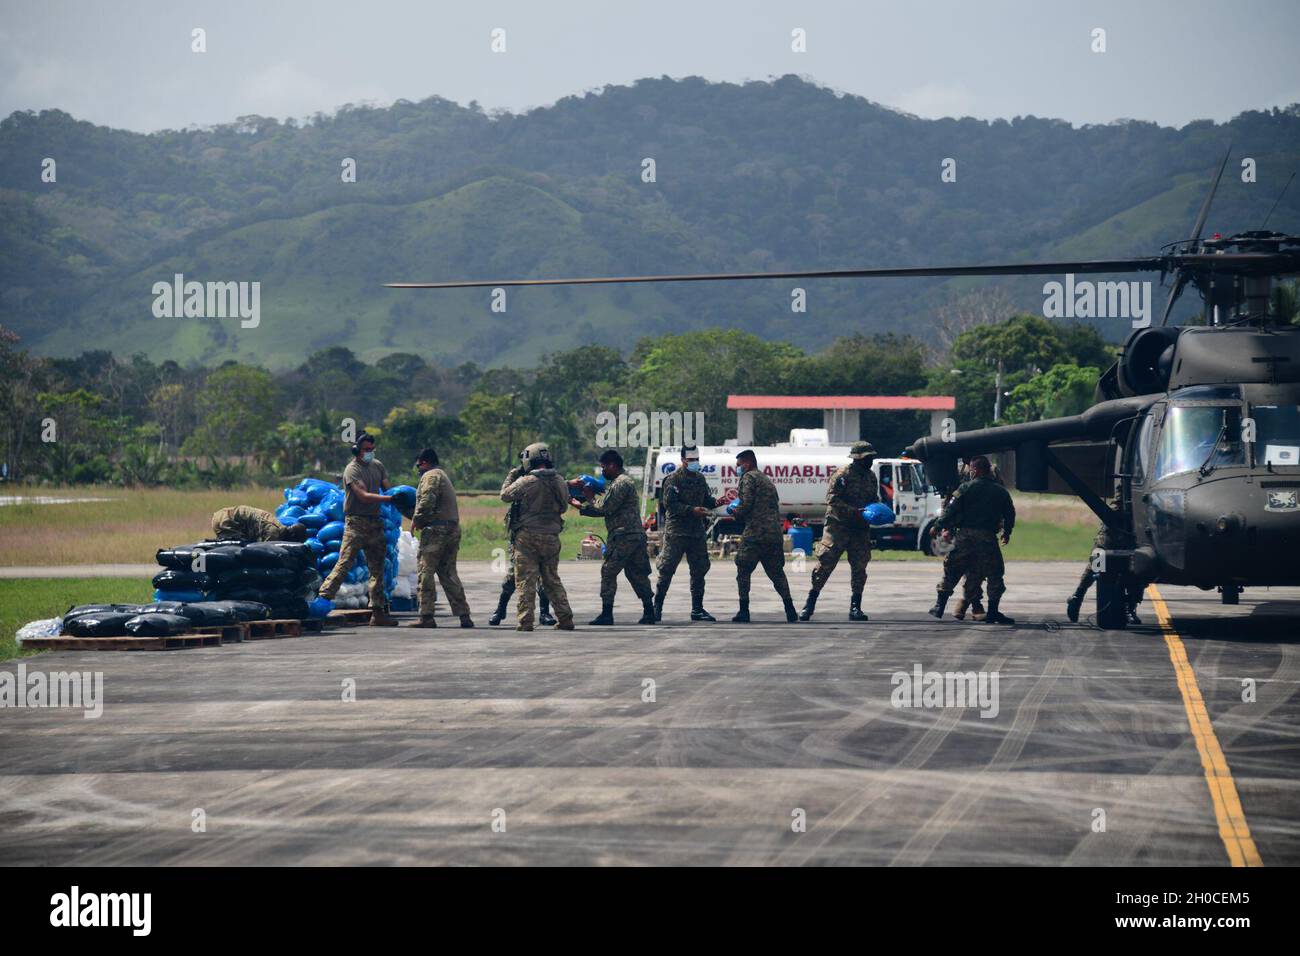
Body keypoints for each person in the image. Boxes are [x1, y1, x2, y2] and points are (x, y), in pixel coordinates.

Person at [318, 433, 398, 627]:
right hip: (356, 523)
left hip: (375, 523)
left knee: (377, 569)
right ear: (356, 450)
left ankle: (377, 612)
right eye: (366, 450)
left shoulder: (377, 466)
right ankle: (322, 602)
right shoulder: (352, 470)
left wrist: (400, 496)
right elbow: (362, 495)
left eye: (372, 449)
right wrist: (388, 499)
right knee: (344, 563)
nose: (370, 453)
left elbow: (388, 488)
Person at [928, 455, 1016, 625]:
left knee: (952, 570)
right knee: (994, 574)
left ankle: (939, 606)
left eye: (971, 470)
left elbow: (950, 510)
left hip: (965, 537)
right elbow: (1009, 513)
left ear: (975, 470)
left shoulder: (965, 489)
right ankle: (992, 612)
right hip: (987, 538)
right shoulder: (1000, 491)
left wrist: (938, 526)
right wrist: (1007, 532)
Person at [799, 440, 878, 622]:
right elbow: (832, 500)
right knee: (825, 564)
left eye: (872, 457)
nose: (871, 460)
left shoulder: (871, 477)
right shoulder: (842, 475)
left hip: (859, 529)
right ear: (858, 458)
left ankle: (855, 607)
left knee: (860, 568)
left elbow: (873, 499)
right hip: (838, 527)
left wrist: (876, 511)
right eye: (868, 457)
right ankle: (809, 605)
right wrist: (853, 511)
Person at [500, 442, 575, 632]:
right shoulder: (559, 480)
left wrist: (513, 473)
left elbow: (505, 495)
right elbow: (565, 506)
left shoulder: (526, 481)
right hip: (552, 537)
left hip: (527, 538)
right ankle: (565, 618)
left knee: (526, 580)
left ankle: (526, 621)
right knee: (552, 580)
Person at [576, 449, 656, 625]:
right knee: (637, 574)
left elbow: (605, 508)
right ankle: (649, 612)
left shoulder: (620, 483)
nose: (603, 471)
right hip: (633, 535)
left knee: (608, 571)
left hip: (623, 536)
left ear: (613, 465)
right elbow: (605, 510)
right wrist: (580, 507)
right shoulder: (622, 483)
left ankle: (607, 613)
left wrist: (589, 499)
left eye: (604, 467)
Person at [721, 449, 798, 623]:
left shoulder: (748, 478)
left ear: (747, 463)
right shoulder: (766, 480)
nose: (737, 468)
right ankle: (790, 609)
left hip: (755, 533)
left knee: (743, 569)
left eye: (739, 465)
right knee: (777, 573)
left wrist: (735, 512)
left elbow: (746, 503)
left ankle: (744, 610)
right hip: (773, 534)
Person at [409, 447, 473, 629]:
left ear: (424, 462)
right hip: (451, 529)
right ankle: (464, 615)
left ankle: (426, 616)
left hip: (436, 531)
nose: (418, 469)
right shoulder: (442, 475)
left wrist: (417, 520)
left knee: (425, 571)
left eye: (419, 466)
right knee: (448, 573)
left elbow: (427, 500)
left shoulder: (430, 476)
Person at [652, 444, 716, 622]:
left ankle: (697, 609)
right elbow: (670, 505)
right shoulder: (672, 480)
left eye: (697, 460)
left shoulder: (700, 479)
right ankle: (657, 608)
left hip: (696, 533)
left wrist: (717, 502)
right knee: (666, 570)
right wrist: (691, 510)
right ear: (682, 460)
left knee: (699, 571)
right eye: (691, 460)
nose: (695, 463)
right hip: (677, 533)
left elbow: (706, 500)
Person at [488, 460, 556, 627]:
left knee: (543, 577)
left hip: (540, 534)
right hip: (521, 538)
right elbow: (505, 494)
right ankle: (500, 609)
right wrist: (514, 473)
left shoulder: (544, 480)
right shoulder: (522, 481)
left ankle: (545, 612)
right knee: (512, 576)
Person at [1066, 507, 1142, 625]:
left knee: (1140, 565)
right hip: (1115, 529)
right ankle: (1078, 597)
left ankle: (1130, 606)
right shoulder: (1116, 511)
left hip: (1136, 528)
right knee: (1098, 559)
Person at [210, 505, 309, 543]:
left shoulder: (276, 526)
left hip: (222, 516)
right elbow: (266, 553)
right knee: (234, 549)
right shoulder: (273, 532)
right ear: (292, 536)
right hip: (227, 520)